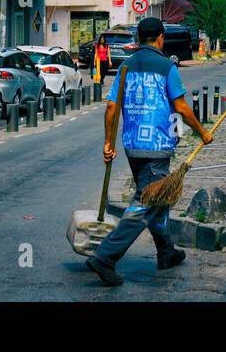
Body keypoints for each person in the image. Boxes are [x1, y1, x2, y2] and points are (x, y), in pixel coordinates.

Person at [86, 17, 212, 287]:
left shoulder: (126, 66)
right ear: (160, 38)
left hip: (132, 145)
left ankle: (166, 251)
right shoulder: (168, 66)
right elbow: (181, 107)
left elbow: (111, 108)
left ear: (139, 38)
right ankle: (105, 257)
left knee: (157, 199)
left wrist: (109, 143)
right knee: (145, 204)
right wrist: (202, 132)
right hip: (156, 146)